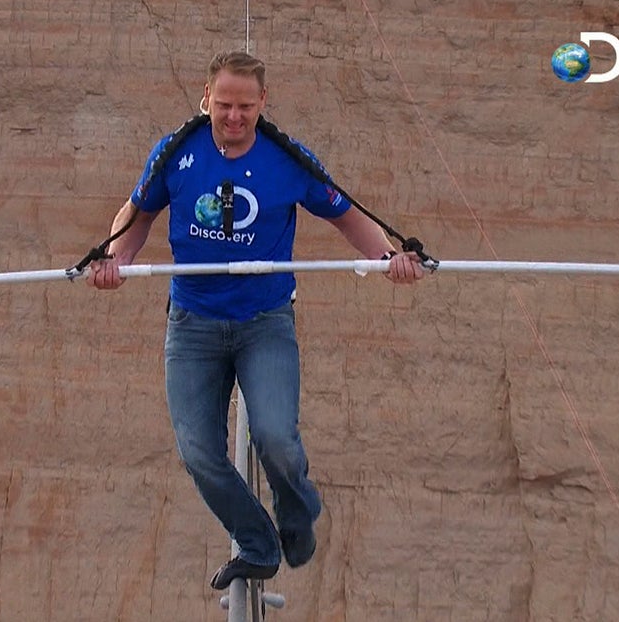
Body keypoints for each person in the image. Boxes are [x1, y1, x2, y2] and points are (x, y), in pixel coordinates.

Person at [87, 50, 426, 589]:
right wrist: (116, 261)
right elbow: (138, 213)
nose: (234, 116)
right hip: (193, 322)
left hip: (264, 321)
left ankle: (298, 512)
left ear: (263, 102)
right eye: (224, 104)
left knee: (276, 438)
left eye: (245, 105)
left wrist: (388, 260)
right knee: (198, 451)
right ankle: (257, 542)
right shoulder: (177, 151)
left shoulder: (285, 158)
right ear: (207, 98)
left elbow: (347, 216)